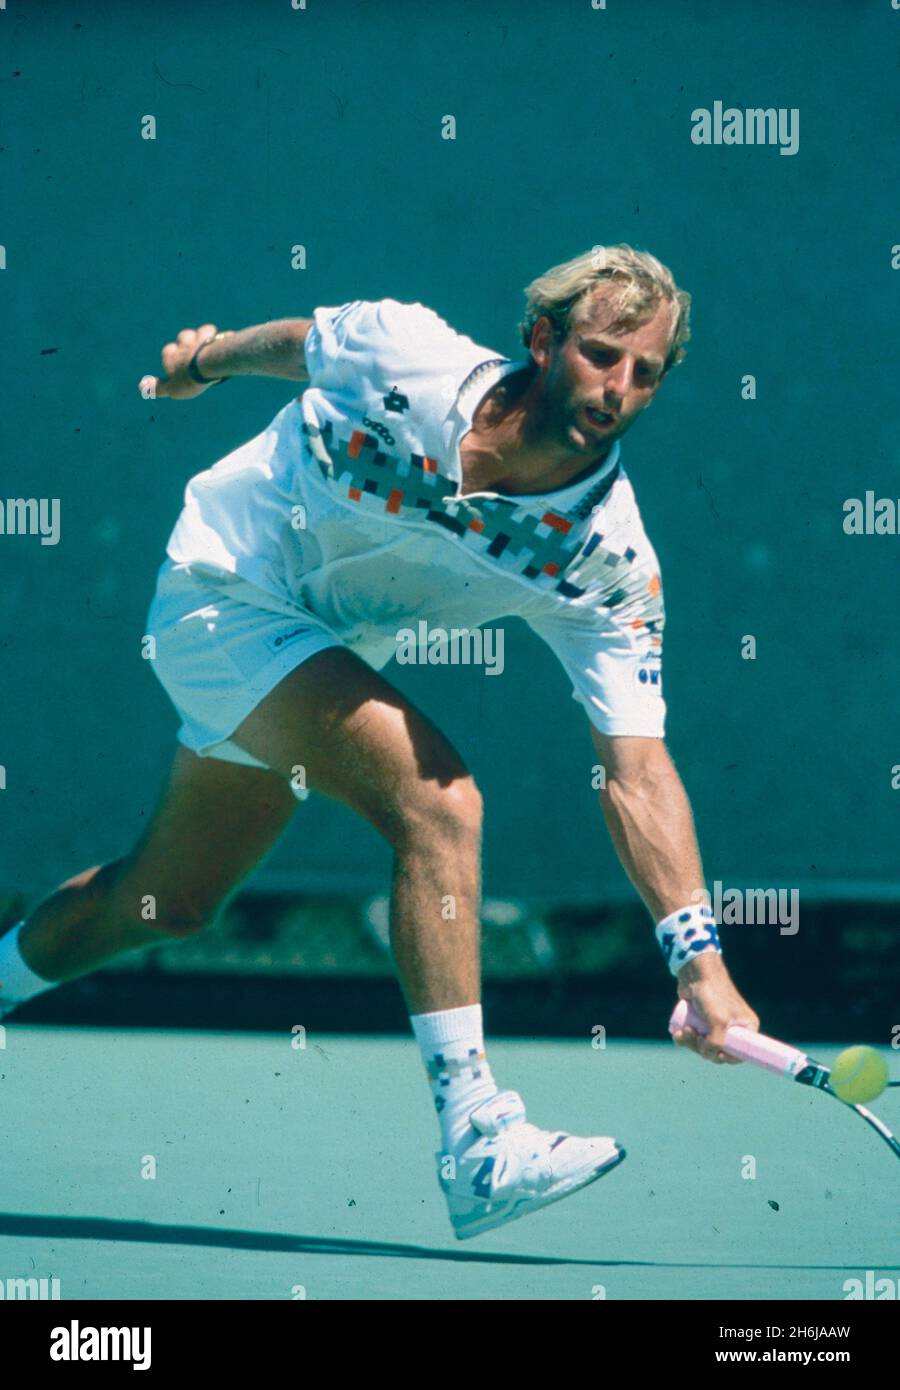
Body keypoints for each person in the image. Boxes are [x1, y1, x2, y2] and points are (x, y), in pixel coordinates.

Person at [1, 244, 759, 1239]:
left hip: (306, 651)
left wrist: (699, 965)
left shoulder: (605, 559)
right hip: (219, 589)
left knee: (169, 899)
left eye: (644, 371)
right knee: (439, 802)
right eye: (601, 353)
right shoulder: (405, 352)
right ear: (543, 338)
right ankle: (480, 1138)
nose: (617, 387)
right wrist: (203, 363)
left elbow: (638, 773)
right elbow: (296, 346)